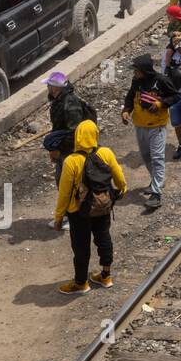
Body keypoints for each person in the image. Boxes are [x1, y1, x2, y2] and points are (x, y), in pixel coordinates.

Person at [53, 119, 126, 294]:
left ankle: (81, 283)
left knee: (80, 246)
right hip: (102, 206)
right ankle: (106, 276)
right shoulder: (106, 153)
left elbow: (64, 193)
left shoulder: (71, 161)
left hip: (78, 212)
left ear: (77, 136)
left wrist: (58, 217)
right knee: (103, 238)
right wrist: (121, 189)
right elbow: (119, 178)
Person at [121, 53, 177, 209]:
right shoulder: (136, 82)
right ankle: (156, 181)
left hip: (156, 126)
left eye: (136, 70)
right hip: (140, 125)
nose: (134, 73)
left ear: (144, 70)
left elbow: (175, 97)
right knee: (146, 156)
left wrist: (161, 103)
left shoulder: (161, 81)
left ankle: (156, 194)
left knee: (157, 157)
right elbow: (130, 97)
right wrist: (126, 110)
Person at [42, 71, 94, 214]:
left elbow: (74, 133)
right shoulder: (59, 101)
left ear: (55, 88)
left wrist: (58, 149)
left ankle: (73, 214)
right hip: (63, 151)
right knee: (62, 182)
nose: (47, 88)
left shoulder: (70, 103)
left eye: (49, 85)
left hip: (71, 152)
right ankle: (69, 213)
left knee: (68, 183)